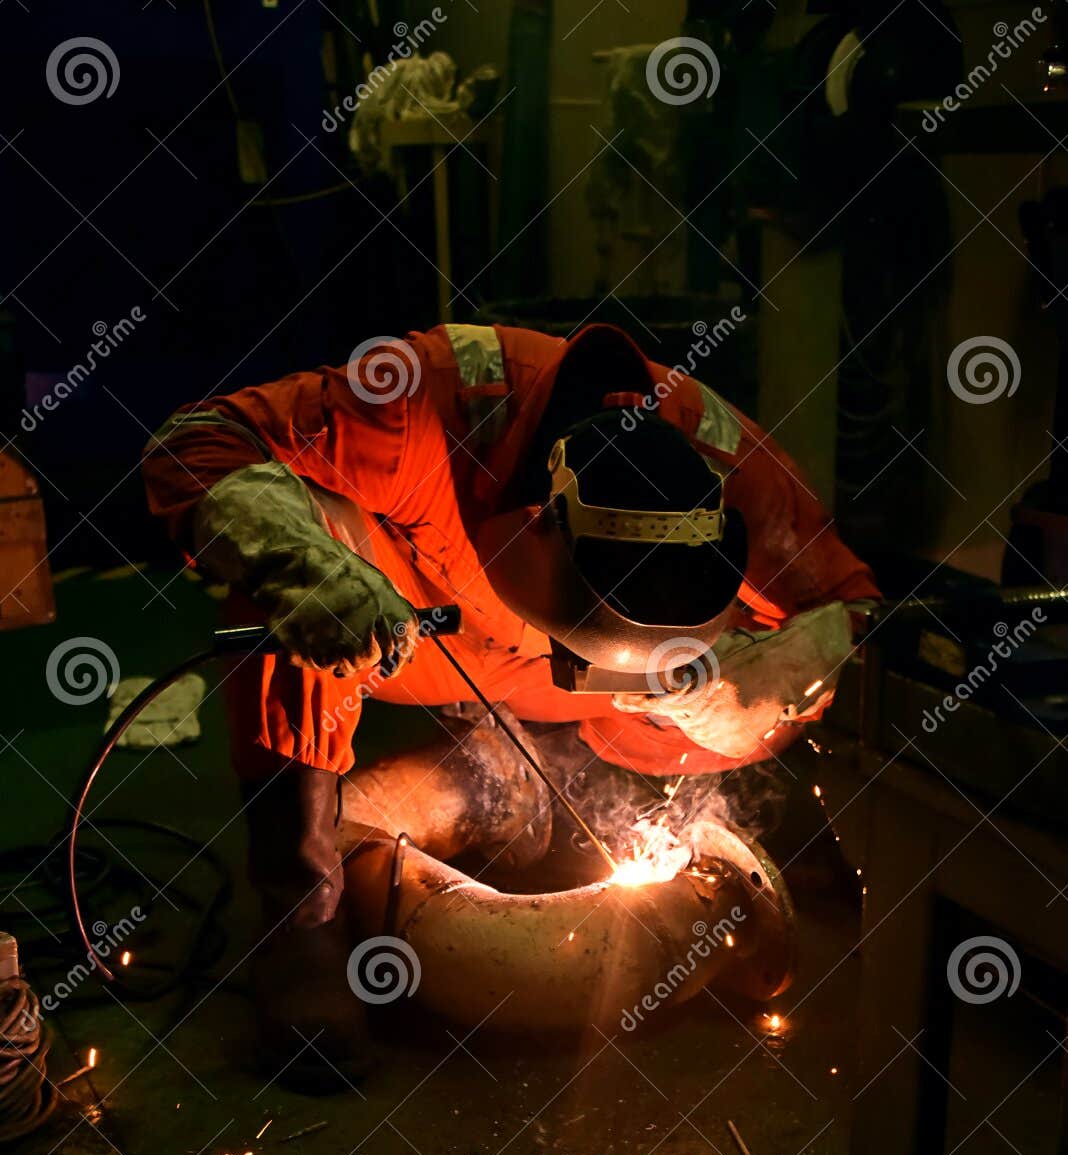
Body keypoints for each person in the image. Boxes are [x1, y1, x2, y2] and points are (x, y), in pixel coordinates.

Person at [142, 321, 878, 1091]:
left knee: (781, 695)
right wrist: (306, 567)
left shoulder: (725, 460)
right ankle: (303, 908)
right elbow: (196, 440)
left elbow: (858, 605)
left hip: (600, 696)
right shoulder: (426, 401)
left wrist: (798, 661)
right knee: (279, 580)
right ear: (538, 521)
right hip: (416, 629)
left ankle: (541, 783)